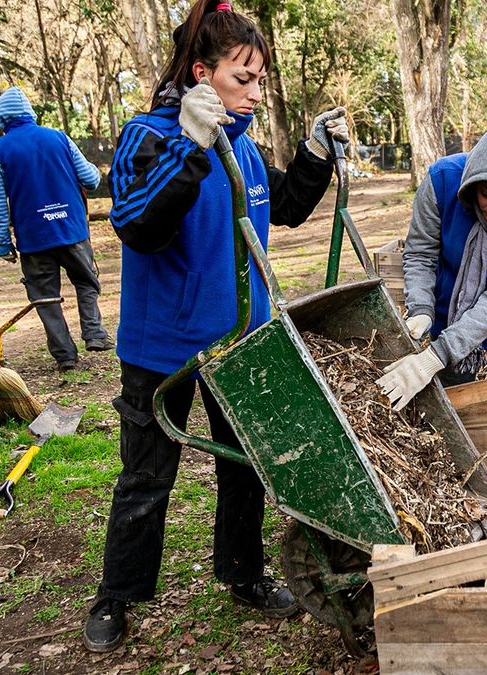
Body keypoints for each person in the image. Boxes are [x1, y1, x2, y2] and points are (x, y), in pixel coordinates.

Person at [82, 0, 349, 653]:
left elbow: (285, 206)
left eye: (260, 80)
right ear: (202, 74)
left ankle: (243, 572)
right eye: (242, 78)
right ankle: (117, 593)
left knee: (246, 466)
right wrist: (189, 145)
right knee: (147, 475)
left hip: (239, 341)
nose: (255, 93)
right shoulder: (147, 135)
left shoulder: (243, 147)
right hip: (163, 347)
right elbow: (137, 224)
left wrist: (315, 152)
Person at [377, 106, 487, 411]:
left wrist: (438, 354)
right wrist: (421, 308)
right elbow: (420, 252)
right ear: (473, 182)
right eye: (486, 194)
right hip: (450, 314)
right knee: (450, 407)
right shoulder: (442, 181)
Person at [0, 87, 112, 371]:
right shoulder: (59, 138)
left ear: (0, 120)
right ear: (30, 112)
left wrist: (3, 244)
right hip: (71, 229)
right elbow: (91, 180)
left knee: (44, 297)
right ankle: (94, 334)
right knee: (86, 281)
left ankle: (65, 355)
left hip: (34, 238)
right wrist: (91, 170)